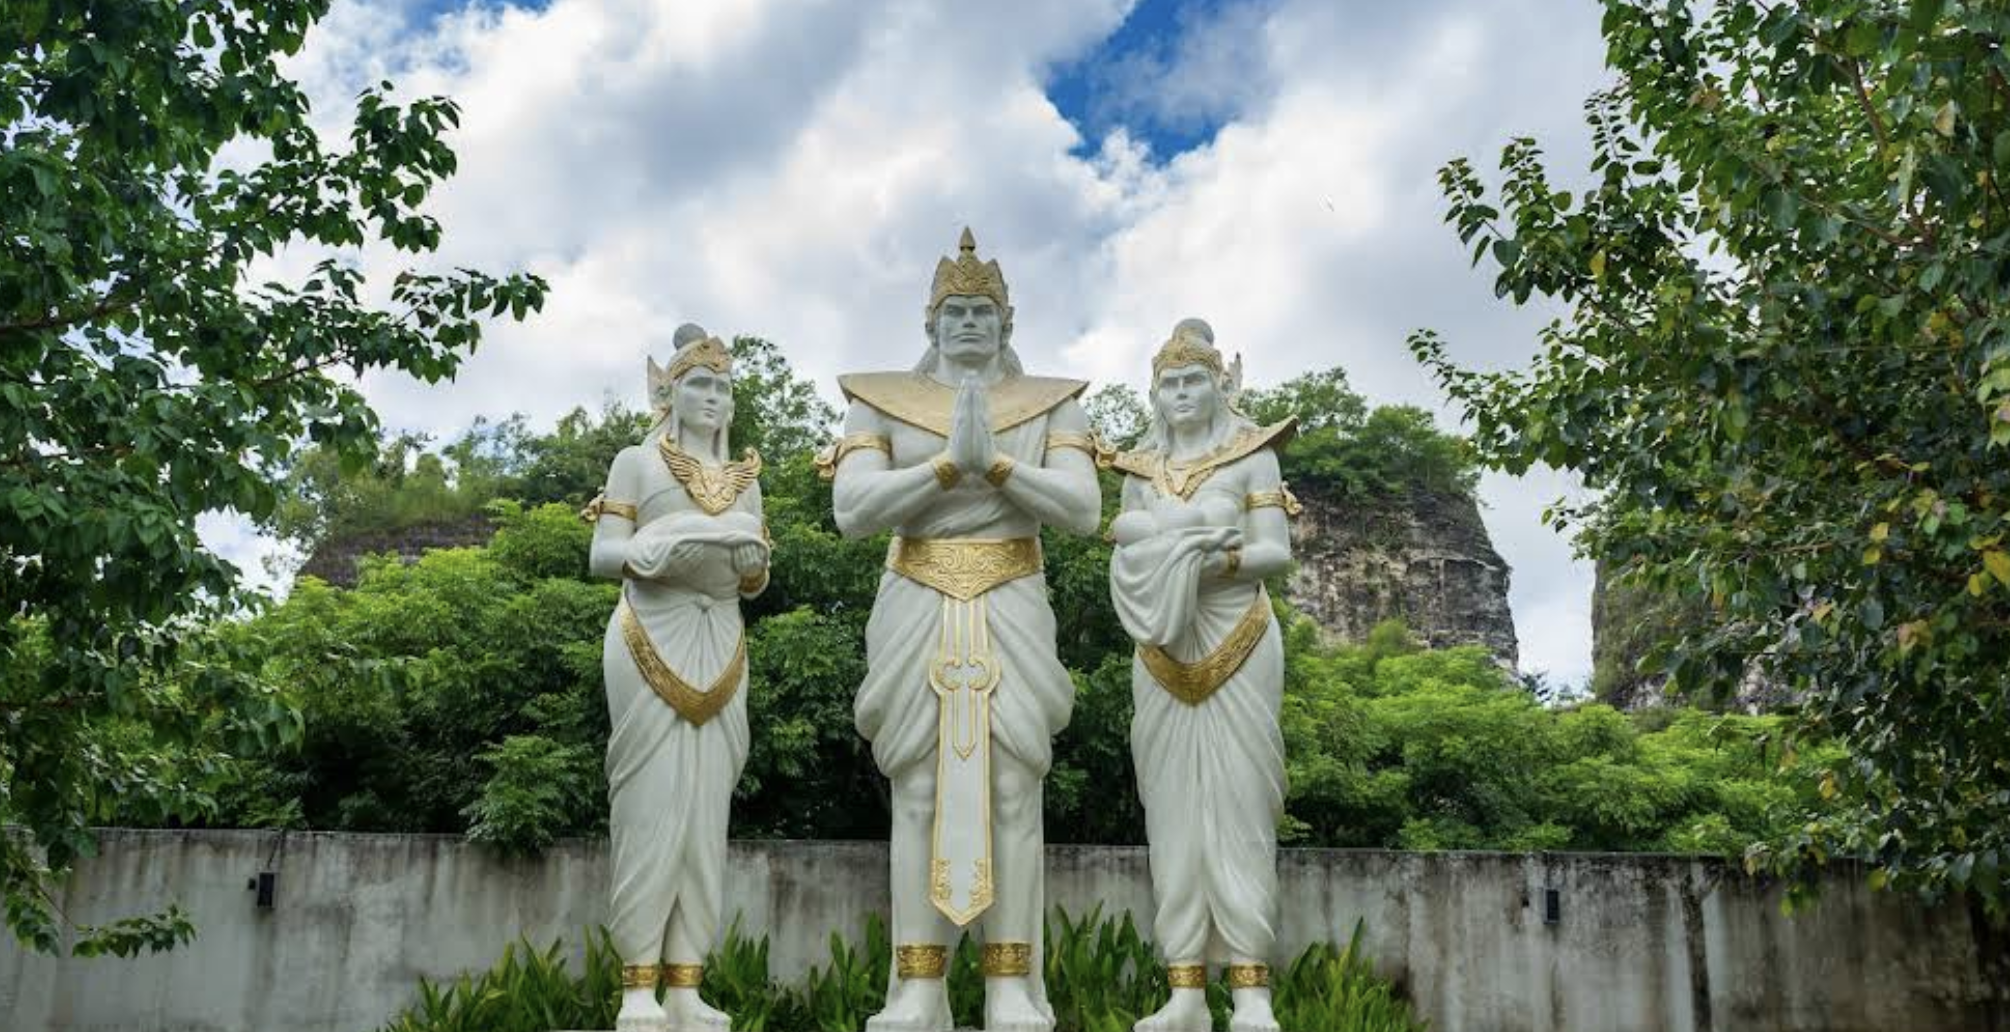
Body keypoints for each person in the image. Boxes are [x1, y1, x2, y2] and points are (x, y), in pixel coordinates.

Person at [819, 229, 1101, 1032]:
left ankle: (1010, 982)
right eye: (955, 310)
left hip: (1013, 591)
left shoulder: (1053, 403)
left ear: (1006, 322)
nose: (969, 321)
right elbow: (851, 512)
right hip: (915, 593)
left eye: (983, 310)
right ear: (930, 322)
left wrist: (1000, 465)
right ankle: (919, 986)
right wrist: (948, 464)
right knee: (916, 789)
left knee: (1013, 783)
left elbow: (1082, 511)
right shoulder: (877, 402)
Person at [1104, 318, 1300, 1032]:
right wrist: (1172, 558)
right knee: (1173, 811)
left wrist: (1201, 562)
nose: (1182, 394)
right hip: (1159, 644)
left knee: (1243, 806)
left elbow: (1273, 552)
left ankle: (1251, 992)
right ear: (1155, 394)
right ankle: (1183, 990)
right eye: (1169, 384)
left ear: (1220, 385)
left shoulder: (1252, 458)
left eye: (1194, 381)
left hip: (1238, 634)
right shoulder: (1137, 472)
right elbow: (1125, 550)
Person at [584, 325, 768, 1032]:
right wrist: (667, 541)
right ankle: (637, 985)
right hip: (648, 633)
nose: (713, 398)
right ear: (671, 393)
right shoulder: (637, 462)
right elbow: (606, 554)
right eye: (700, 384)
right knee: (650, 809)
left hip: (721, 637)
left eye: (723, 388)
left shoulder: (747, 481)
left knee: (703, 815)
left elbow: (755, 578)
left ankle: (688, 983)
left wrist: (744, 556)